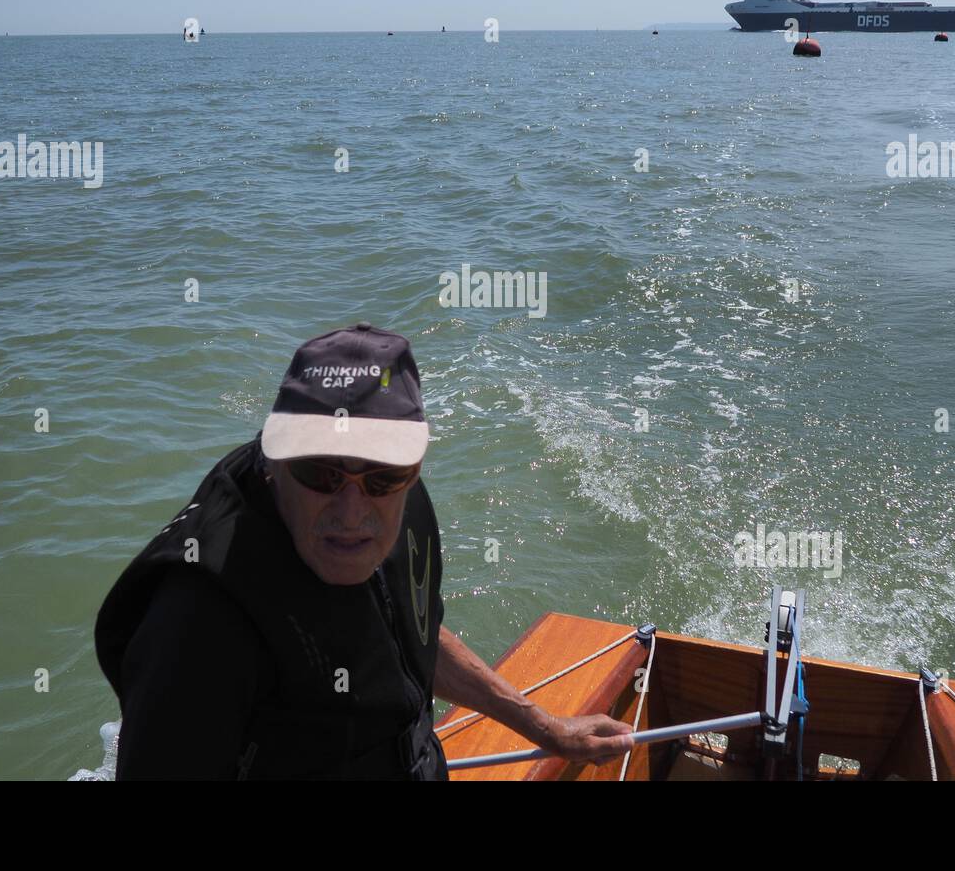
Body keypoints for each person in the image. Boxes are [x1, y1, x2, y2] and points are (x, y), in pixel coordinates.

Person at [95, 323, 633, 779]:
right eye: (319, 473)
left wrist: (546, 727)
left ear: (412, 467)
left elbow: (407, 633)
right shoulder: (197, 626)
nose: (351, 512)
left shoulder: (392, 503)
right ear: (273, 461)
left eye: (383, 476)